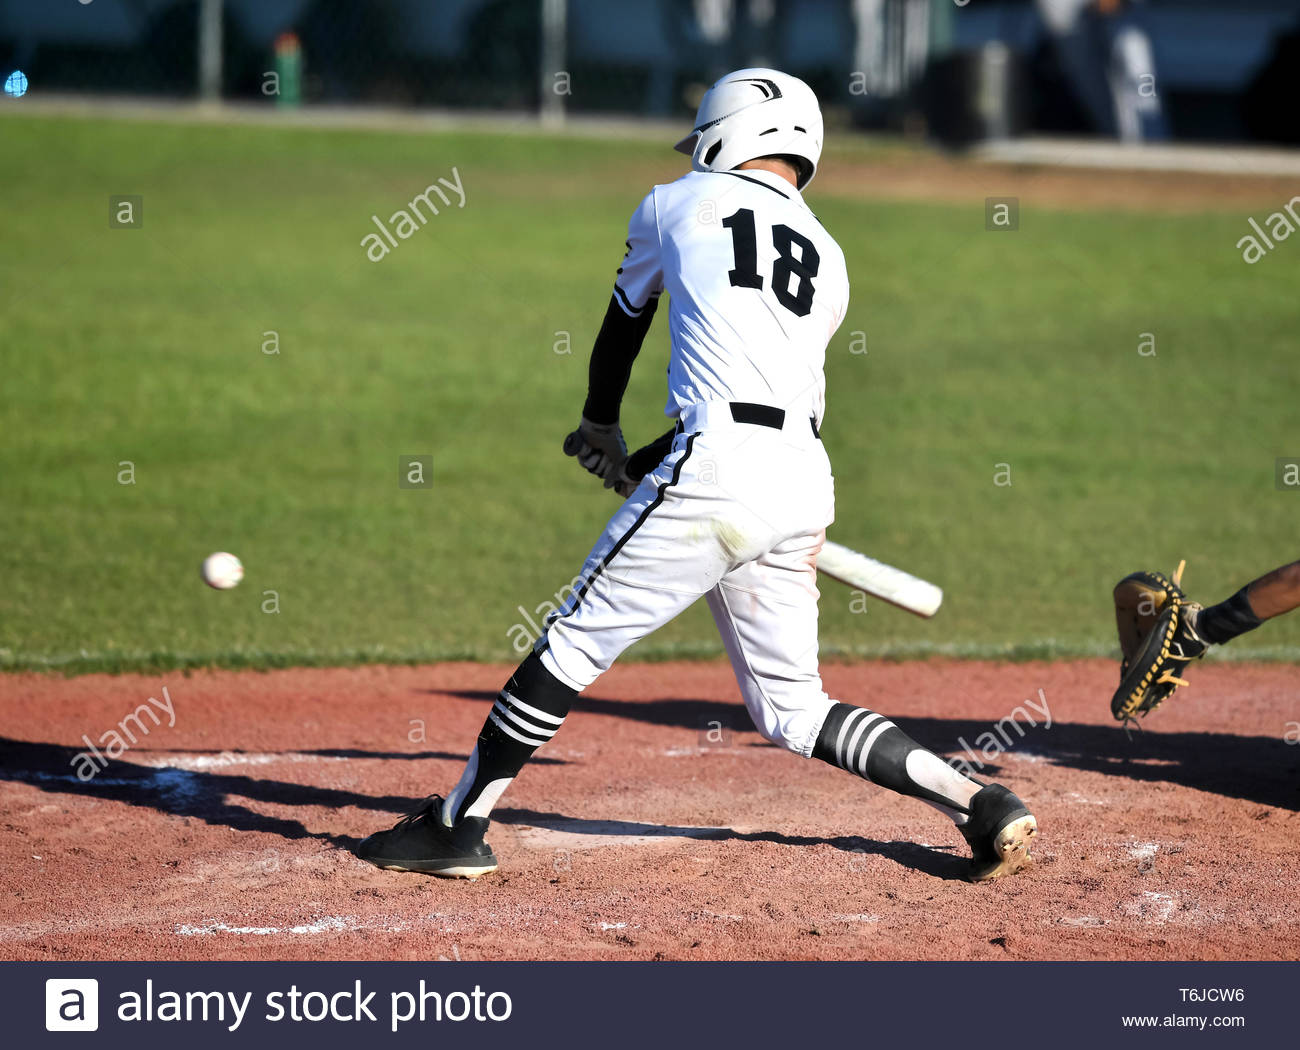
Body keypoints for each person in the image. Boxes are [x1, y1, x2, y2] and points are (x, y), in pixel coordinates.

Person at [355, 69, 1038, 883]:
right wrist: (646, 463)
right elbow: (756, 392)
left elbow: (622, 328)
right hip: (800, 477)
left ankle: (456, 828)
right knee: (794, 707)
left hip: (715, 469)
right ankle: (974, 799)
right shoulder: (829, 254)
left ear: (728, 134)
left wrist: (601, 427)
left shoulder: (672, 201)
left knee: (572, 640)